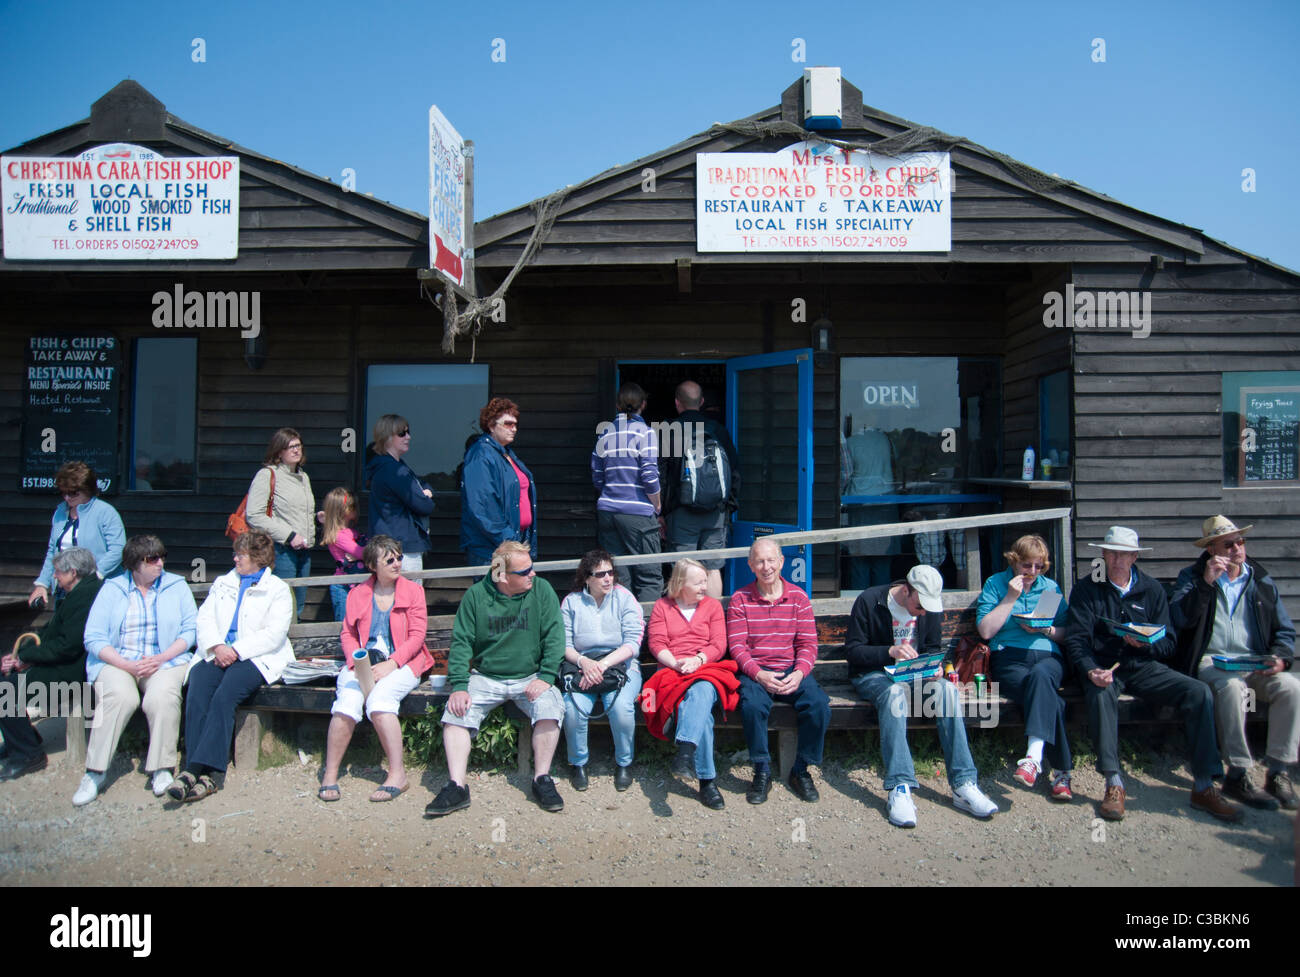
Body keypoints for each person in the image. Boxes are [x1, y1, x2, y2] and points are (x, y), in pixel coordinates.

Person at [1065, 525, 1241, 823]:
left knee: (1197, 691)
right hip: (1104, 665)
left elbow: (1169, 642)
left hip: (1142, 664)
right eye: (1113, 554)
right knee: (1100, 693)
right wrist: (1090, 669)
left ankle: (1203, 785)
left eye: (1125, 555)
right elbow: (1076, 639)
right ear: (1104, 554)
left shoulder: (1152, 589)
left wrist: (1146, 643)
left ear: (1135, 557)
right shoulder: (1087, 588)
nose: (1118, 561)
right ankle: (1113, 783)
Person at [847, 564, 999, 826]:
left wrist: (934, 666)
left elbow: (930, 647)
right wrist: (890, 652)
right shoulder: (870, 600)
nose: (923, 612)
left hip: (916, 676)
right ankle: (900, 786)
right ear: (906, 590)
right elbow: (853, 652)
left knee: (947, 691)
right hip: (874, 675)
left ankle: (964, 783)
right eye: (919, 607)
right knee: (894, 695)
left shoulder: (928, 609)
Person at [425, 541, 565, 816]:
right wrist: (460, 686)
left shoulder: (542, 591)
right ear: (502, 575)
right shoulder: (477, 596)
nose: (533, 574)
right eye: (525, 572)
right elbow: (462, 641)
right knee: (455, 714)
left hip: (531, 675)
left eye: (531, 568)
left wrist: (547, 676)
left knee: (550, 708)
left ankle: (542, 779)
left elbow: (555, 636)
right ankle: (456, 786)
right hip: (485, 676)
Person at [1171, 515, 1297, 811]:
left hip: (1254, 661)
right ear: (1212, 549)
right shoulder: (1192, 576)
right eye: (1228, 544)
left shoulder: (1261, 580)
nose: (1237, 548)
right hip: (1212, 661)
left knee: (1292, 688)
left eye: (1240, 541)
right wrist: (1205, 583)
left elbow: (1284, 630)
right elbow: (1180, 620)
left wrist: (1281, 658)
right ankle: (1238, 773)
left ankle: (1278, 771)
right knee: (1231, 688)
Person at [169, 531, 295, 803]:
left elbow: (274, 634)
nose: (235, 558)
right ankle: (193, 768)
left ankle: (211, 773)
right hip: (218, 651)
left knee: (225, 695)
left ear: (259, 558)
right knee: (198, 688)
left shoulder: (278, 590)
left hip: (256, 656)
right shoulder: (223, 583)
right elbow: (204, 620)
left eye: (241, 554)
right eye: (236, 553)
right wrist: (217, 647)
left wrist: (236, 650)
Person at [75, 534, 197, 806]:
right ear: (134, 563)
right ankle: (94, 772)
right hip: (120, 661)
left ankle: (162, 768)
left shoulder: (176, 586)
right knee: (120, 696)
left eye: (162, 557)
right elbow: (94, 637)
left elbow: (190, 631)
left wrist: (161, 657)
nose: (160, 563)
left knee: (162, 696)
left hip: (164, 660)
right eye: (152, 559)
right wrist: (125, 664)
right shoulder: (112, 588)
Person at [319, 535, 432, 803]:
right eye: (389, 559)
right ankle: (330, 773)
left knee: (380, 701)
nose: (397, 563)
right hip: (363, 661)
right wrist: (354, 663)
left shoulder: (414, 591)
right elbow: (347, 634)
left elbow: (417, 637)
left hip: (402, 662)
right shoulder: (358, 594)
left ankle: (398, 774)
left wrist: (392, 663)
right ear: (372, 565)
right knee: (347, 702)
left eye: (399, 558)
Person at [726, 537, 829, 804]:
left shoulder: (798, 597)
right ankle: (762, 770)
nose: (766, 566)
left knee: (818, 705)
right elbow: (737, 647)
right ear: (750, 565)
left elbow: (808, 643)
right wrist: (759, 674)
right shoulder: (740, 599)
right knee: (751, 706)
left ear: (782, 562)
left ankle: (801, 769)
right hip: (756, 672)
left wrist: (800, 672)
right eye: (759, 561)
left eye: (771, 560)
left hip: (791, 669)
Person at [975, 534, 1074, 801]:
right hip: (1010, 657)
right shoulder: (997, 584)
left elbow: (1067, 634)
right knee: (1051, 698)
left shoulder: (1049, 588)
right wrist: (1010, 597)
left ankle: (1032, 759)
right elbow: (985, 630)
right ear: (1014, 562)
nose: (1032, 572)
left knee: (1042, 676)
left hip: (1047, 655)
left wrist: (1047, 628)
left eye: (1038, 566)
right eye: (1026, 565)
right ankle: (1062, 773)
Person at [0, 548, 102, 781]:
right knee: (6, 679)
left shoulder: (85, 597)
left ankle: (28, 754)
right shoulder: (79, 592)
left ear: (73, 572)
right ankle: (23, 739)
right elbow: (51, 634)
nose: (54, 576)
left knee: (5, 688)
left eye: (58, 572)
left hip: (74, 669)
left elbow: (68, 645)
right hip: (66, 661)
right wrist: (21, 657)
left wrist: (26, 658)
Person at [647, 557, 732, 808]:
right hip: (672, 670)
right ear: (681, 583)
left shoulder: (713, 607)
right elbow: (656, 643)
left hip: (705, 669)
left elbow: (719, 644)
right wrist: (675, 663)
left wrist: (698, 659)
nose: (704, 587)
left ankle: (684, 754)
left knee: (703, 690)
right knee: (702, 716)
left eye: (705, 581)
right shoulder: (663, 607)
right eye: (698, 583)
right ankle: (707, 782)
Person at [559, 549, 644, 792]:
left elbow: (633, 642)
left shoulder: (625, 598)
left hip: (621, 666)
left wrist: (603, 665)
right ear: (586, 578)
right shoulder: (572, 602)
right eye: (600, 574)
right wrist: (585, 663)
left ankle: (624, 762)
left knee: (620, 708)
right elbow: (563, 643)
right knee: (573, 707)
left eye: (610, 572)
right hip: (582, 667)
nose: (608, 578)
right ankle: (578, 763)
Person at [660, 380, 740, 599]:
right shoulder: (717, 430)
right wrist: (727, 507)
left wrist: (662, 511)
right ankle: (712, 619)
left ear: (677, 403)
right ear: (702, 402)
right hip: (715, 512)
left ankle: (685, 624)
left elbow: (663, 475)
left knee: (682, 567)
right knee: (713, 568)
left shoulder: (671, 431)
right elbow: (734, 471)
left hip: (682, 512)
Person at [592, 382, 662, 601]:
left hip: (607, 511)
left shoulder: (604, 434)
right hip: (637, 513)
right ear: (643, 404)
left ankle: (622, 629)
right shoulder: (645, 433)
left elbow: (597, 475)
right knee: (649, 576)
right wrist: (657, 504)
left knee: (618, 576)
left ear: (617, 405)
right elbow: (649, 475)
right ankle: (646, 633)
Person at [29, 461, 125, 608]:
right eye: (64, 492)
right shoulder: (60, 512)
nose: (67, 498)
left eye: (73, 493)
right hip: (66, 588)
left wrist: (96, 575)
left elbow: (118, 550)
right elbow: (53, 551)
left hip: (99, 589)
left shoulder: (105, 512)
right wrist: (42, 583)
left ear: (87, 490)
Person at [246, 427, 316, 616]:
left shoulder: (303, 477)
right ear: (279, 451)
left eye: (298, 446)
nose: (296, 450)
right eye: (290, 447)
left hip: (304, 551)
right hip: (282, 551)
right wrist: (289, 535)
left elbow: (297, 512)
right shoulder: (268, 475)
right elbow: (253, 514)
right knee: (283, 606)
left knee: (298, 606)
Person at [460, 398, 537, 567]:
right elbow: (482, 506)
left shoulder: (506, 454)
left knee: (513, 592)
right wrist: (508, 540)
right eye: (508, 424)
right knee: (494, 593)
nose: (514, 429)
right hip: (492, 551)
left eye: (516, 424)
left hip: (513, 546)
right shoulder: (480, 454)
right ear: (491, 425)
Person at [365, 414, 435, 574]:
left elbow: (421, 485)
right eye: (402, 433)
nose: (408, 437)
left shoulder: (391, 466)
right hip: (402, 549)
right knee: (407, 597)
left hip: (390, 546)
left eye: (408, 432)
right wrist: (426, 496)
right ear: (387, 437)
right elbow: (424, 505)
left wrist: (426, 491)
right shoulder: (394, 470)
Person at [321, 487, 366, 622]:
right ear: (343, 510)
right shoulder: (339, 536)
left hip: (354, 583)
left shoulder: (350, 531)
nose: (356, 509)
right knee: (345, 623)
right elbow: (361, 553)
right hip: (343, 585)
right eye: (352, 506)